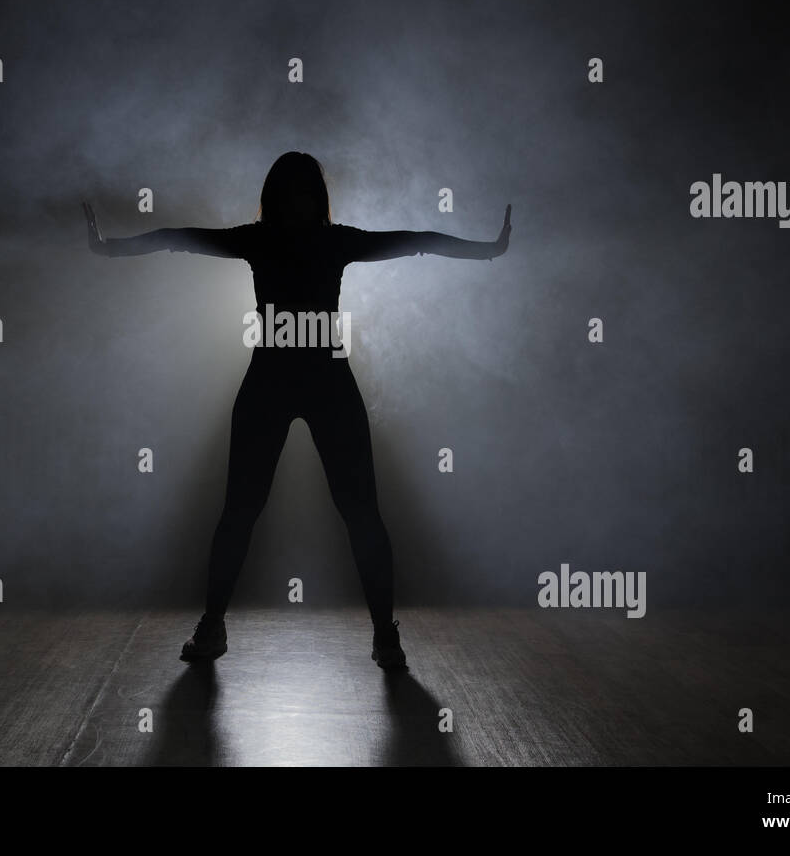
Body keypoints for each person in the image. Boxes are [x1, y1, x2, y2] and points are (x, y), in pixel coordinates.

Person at [85, 151, 510, 670]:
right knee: (240, 511)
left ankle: (385, 635)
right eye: (287, 195)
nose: (295, 204)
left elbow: (417, 241)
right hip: (272, 382)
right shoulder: (261, 239)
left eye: (303, 194)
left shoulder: (332, 241)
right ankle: (214, 625)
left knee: (361, 512)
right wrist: (111, 249)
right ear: (273, 199)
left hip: (325, 383)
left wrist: (488, 250)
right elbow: (178, 236)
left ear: (317, 199)